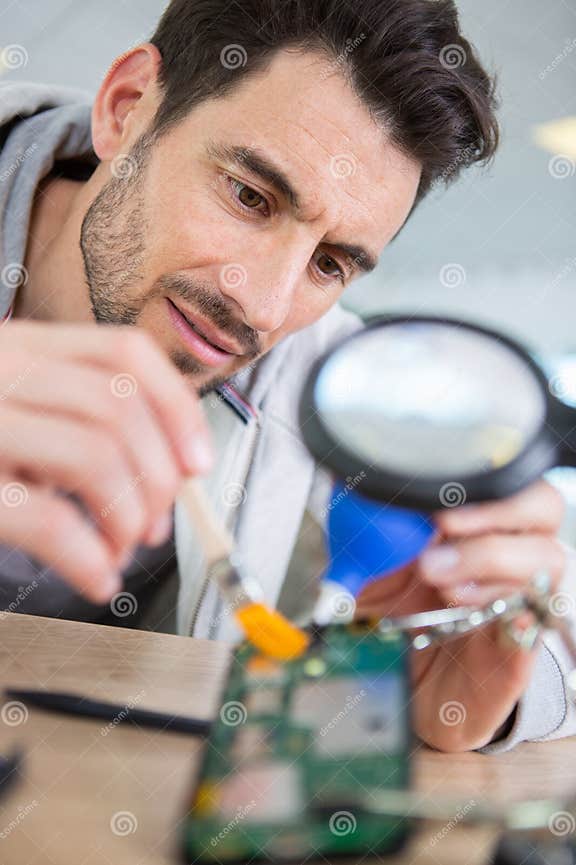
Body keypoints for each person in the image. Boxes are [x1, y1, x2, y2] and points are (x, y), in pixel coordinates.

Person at [0, 0, 573, 753]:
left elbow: (557, 647)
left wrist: (469, 695)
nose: (263, 306)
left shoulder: (329, 381)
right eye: (249, 196)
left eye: (330, 263)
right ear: (128, 107)